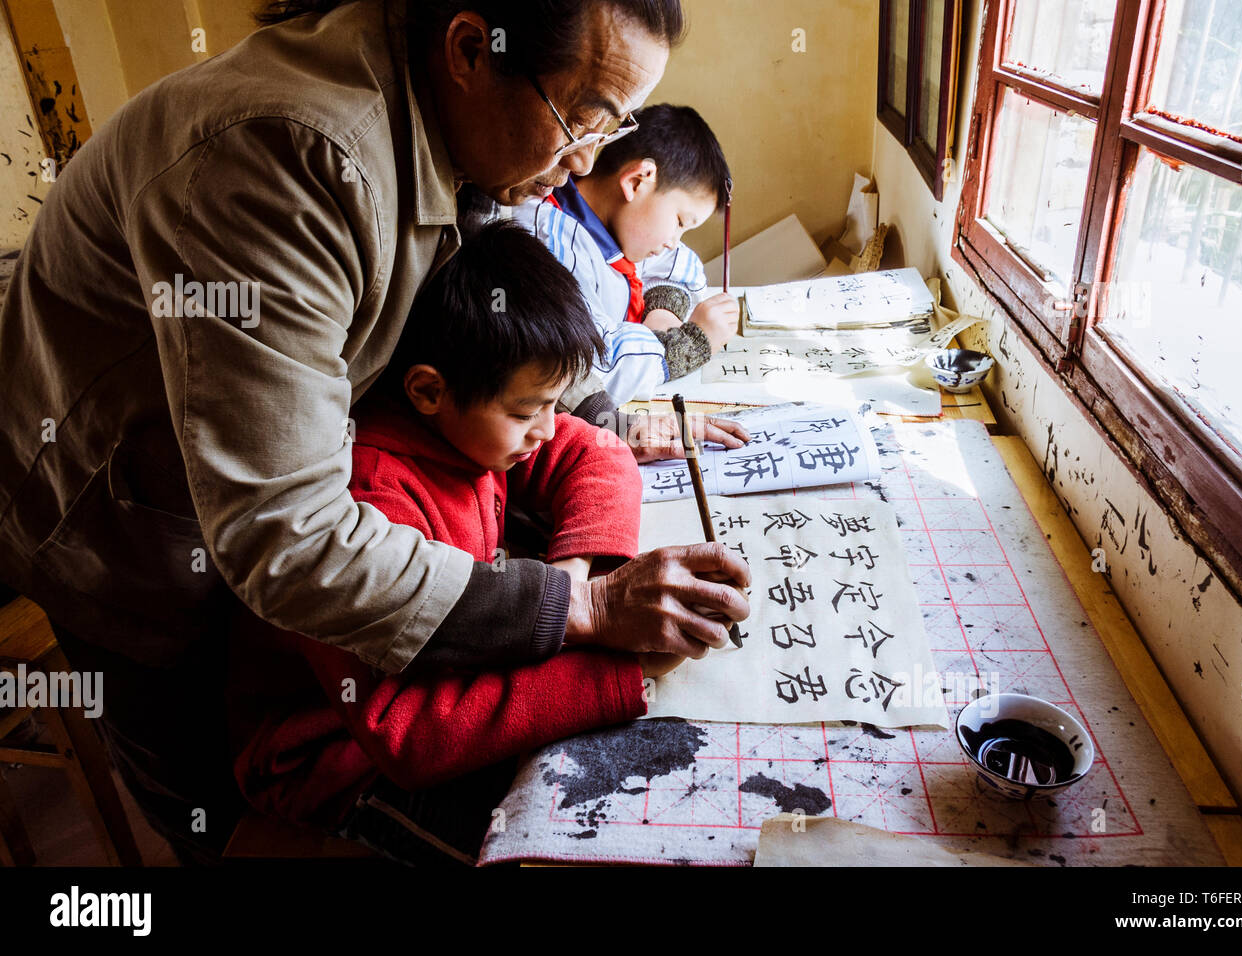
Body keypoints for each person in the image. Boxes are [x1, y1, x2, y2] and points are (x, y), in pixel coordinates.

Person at [0, 0, 748, 863]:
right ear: (472, 47)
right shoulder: (288, 155)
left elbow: (498, 331)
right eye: (580, 119)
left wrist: (597, 420)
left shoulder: (468, 128)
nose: (587, 159)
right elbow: (290, 537)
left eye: (610, 125)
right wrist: (580, 603)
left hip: (258, 515)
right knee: (216, 810)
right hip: (116, 518)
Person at [230, 221, 689, 864]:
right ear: (427, 390)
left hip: (458, 683)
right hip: (342, 760)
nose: (547, 429)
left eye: (555, 404)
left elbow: (599, 452)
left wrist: (575, 590)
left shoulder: (472, 424)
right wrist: (616, 661)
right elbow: (409, 737)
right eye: (530, 410)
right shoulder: (367, 503)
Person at [512, 103, 740, 404]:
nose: (674, 241)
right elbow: (596, 365)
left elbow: (679, 264)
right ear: (636, 181)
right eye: (680, 222)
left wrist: (662, 312)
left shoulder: (616, 223)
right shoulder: (550, 242)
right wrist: (691, 343)